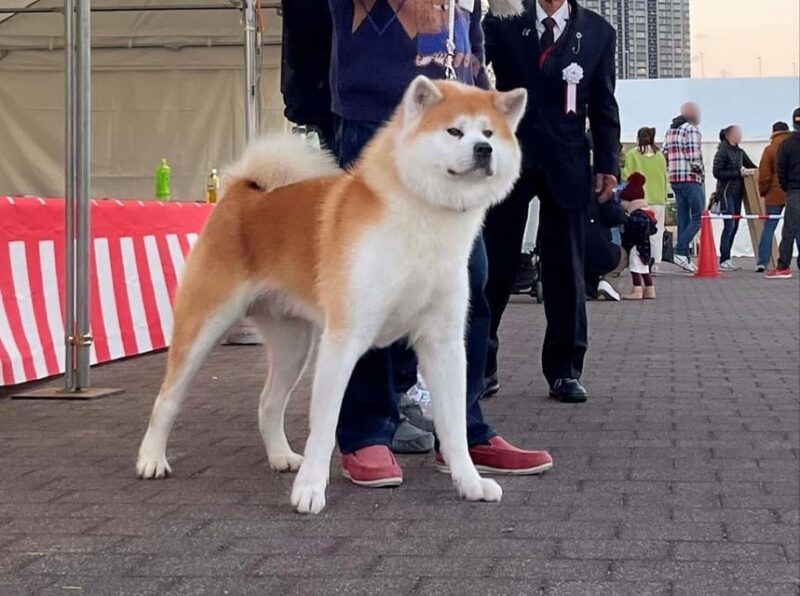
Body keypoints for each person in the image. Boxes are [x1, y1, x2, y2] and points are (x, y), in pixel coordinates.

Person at [326, 0, 552, 487]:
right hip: (378, 117)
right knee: (372, 283)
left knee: (469, 278)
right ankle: (366, 430)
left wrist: (484, 103)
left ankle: (462, 433)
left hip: (456, 128)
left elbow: (470, 39)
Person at [483, 0, 621, 403]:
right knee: (495, 263)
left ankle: (565, 369)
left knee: (567, 266)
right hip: (510, 156)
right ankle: (481, 364)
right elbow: (473, 71)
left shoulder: (598, 32)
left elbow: (604, 104)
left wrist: (607, 164)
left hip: (568, 160)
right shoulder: (503, 20)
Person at [663, 102, 705, 273]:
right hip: (690, 177)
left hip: (675, 178)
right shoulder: (691, 129)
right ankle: (680, 250)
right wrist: (701, 172)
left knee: (683, 218)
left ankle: (684, 257)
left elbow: (665, 153)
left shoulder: (670, 131)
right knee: (699, 217)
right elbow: (694, 157)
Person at [623, 127, 668, 273]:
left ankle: (639, 262)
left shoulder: (632, 154)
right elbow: (665, 177)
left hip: (639, 200)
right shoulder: (660, 156)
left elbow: (626, 176)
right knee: (657, 232)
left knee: (638, 232)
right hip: (658, 199)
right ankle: (655, 263)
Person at [712, 125, 757, 271]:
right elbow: (717, 172)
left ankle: (727, 258)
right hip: (726, 193)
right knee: (729, 225)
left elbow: (752, 166)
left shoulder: (739, 152)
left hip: (738, 193)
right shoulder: (722, 151)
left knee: (735, 225)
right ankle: (724, 259)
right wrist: (738, 173)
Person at [767, 107, 800, 279]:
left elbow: (781, 169)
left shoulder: (787, 144)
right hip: (794, 189)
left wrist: (787, 187)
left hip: (795, 190)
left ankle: (783, 267)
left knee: (790, 229)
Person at [757, 122, 791, 272]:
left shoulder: (769, 149)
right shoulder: (794, 146)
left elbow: (764, 175)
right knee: (796, 228)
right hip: (793, 192)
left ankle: (762, 262)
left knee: (769, 228)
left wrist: (763, 191)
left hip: (774, 193)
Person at [619, 173, 658, 300]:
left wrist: (626, 224)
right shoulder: (647, 215)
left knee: (635, 268)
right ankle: (650, 289)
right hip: (645, 248)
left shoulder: (636, 216)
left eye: (624, 201)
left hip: (637, 247)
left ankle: (637, 290)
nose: (622, 204)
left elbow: (633, 230)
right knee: (645, 269)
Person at [585, 186, 626, 302]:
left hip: (571, 251)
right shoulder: (601, 193)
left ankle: (587, 289)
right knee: (623, 255)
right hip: (600, 250)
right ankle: (608, 281)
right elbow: (616, 218)